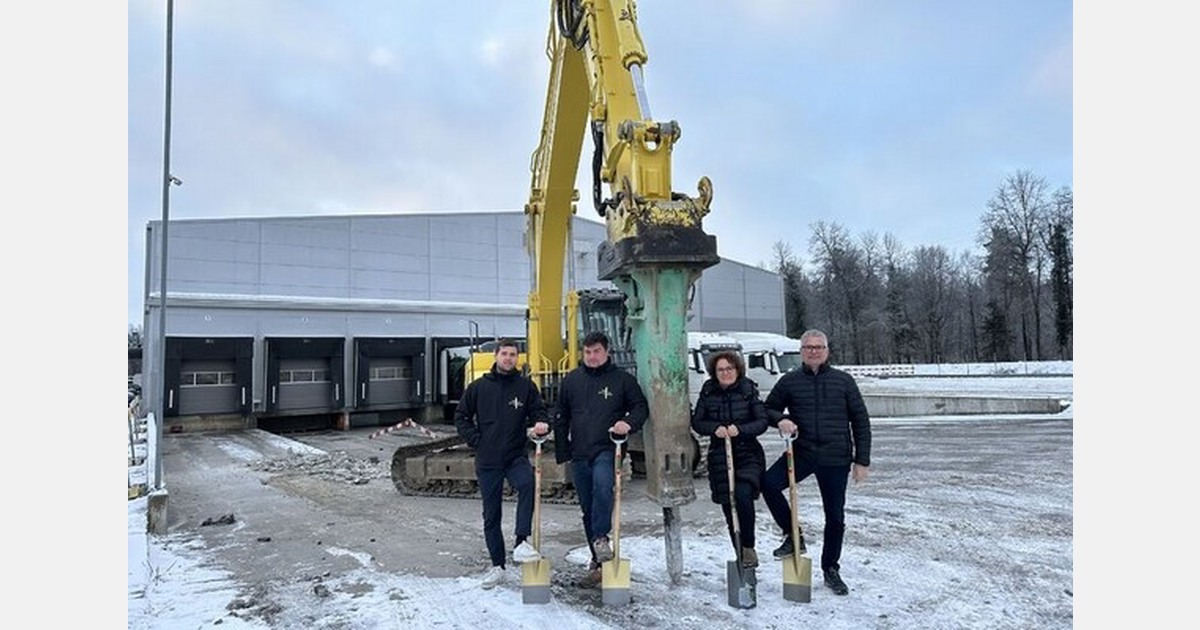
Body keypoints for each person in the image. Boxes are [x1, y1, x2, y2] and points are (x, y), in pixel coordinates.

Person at [759, 329, 871, 596]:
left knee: (835, 517)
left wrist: (862, 461)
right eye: (808, 347)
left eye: (818, 347)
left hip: (836, 457)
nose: (813, 351)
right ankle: (793, 534)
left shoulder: (844, 381)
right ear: (801, 351)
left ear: (827, 351)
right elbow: (767, 409)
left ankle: (831, 568)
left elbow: (860, 421)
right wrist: (781, 420)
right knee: (768, 484)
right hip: (803, 452)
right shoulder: (790, 381)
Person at [553, 330, 648, 588]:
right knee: (587, 507)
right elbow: (560, 414)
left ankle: (601, 538)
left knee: (603, 487)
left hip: (608, 448)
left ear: (607, 352)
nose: (592, 356)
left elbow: (640, 407)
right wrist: (563, 451)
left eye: (596, 351)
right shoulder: (572, 381)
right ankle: (599, 560)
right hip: (580, 452)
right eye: (587, 352)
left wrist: (627, 423)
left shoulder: (622, 380)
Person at [454, 339, 551, 589]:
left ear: (517, 358)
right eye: (504, 354)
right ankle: (498, 566)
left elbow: (539, 412)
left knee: (528, 484)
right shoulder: (478, 388)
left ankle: (521, 542)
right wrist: (477, 440)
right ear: (496, 356)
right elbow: (461, 416)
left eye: (513, 354)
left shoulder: (526, 387)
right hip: (487, 460)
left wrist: (541, 424)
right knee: (491, 514)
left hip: (514, 456)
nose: (509, 358)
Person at [689, 350, 769, 568]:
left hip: (747, 452)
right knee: (728, 507)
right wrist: (715, 429)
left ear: (737, 369)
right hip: (720, 456)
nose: (726, 373)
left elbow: (761, 421)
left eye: (729, 368)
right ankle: (741, 556)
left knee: (742, 495)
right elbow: (698, 422)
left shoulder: (748, 389)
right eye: (721, 370)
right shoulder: (708, 391)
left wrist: (740, 429)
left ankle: (749, 546)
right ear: (714, 373)